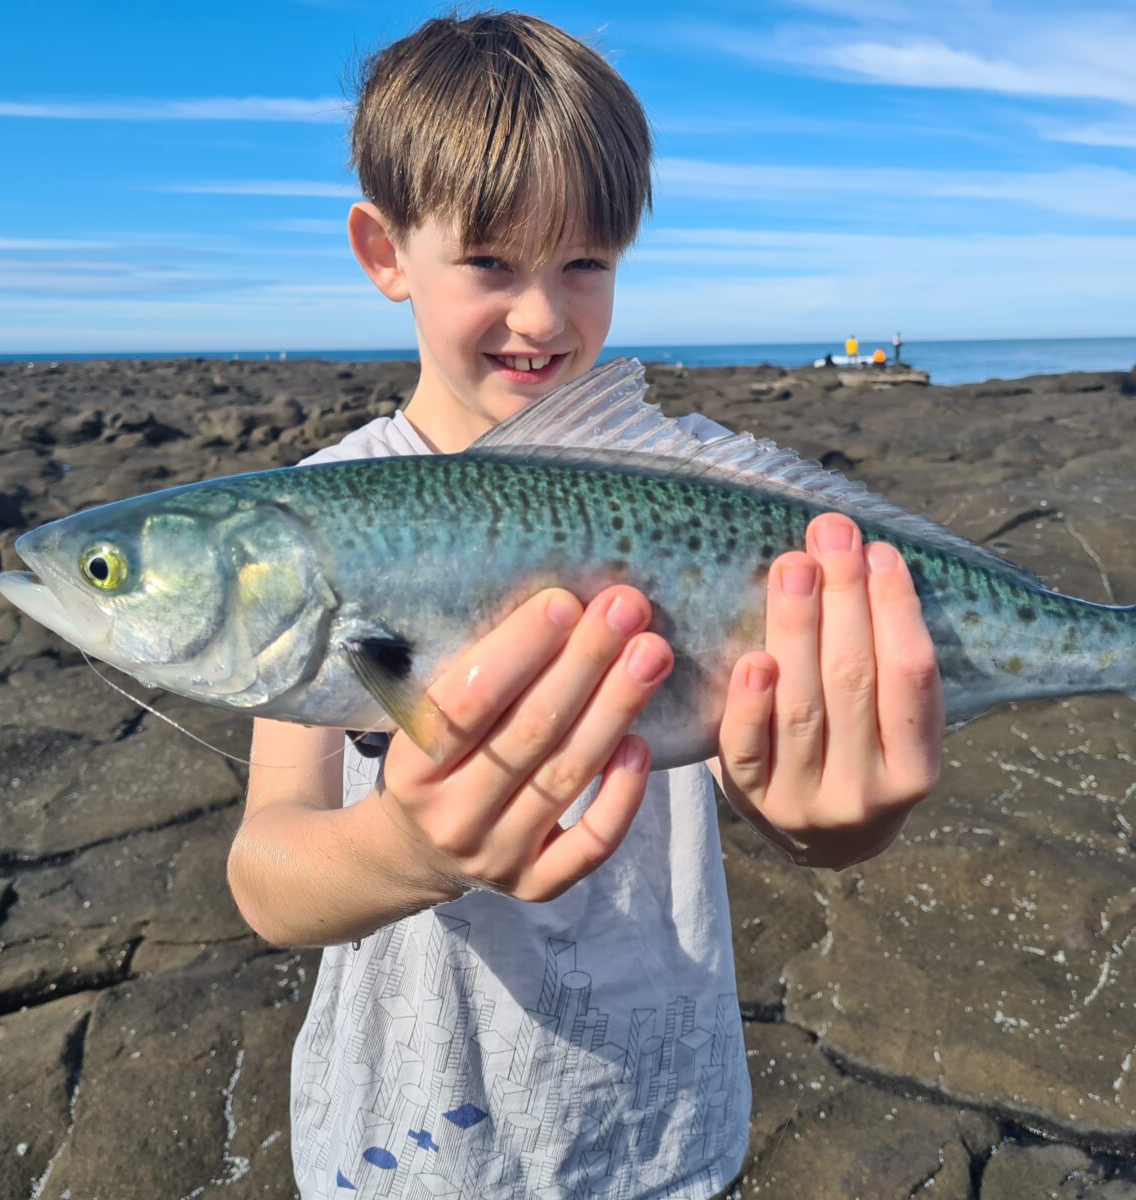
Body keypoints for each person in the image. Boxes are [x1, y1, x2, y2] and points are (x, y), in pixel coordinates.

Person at [226, 14, 943, 1199]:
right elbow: (269, 872)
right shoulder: (315, 523)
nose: (544, 318)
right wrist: (404, 847)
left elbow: (795, 810)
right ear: (383, 249)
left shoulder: (703, 489)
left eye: (585, 264)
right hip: (401, 1152)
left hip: (661, 1133)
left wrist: (839, 822)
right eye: (492, 264)